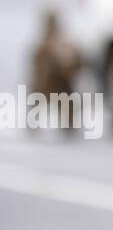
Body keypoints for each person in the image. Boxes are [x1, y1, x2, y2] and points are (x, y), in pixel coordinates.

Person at [28, 8, 82, 136]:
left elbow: (77, 63)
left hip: (59, 85)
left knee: (66, 99)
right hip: (46, 85)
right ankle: (33, 122)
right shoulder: (44, 46)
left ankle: (69, 124)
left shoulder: (63, 44)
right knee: (37, 100)